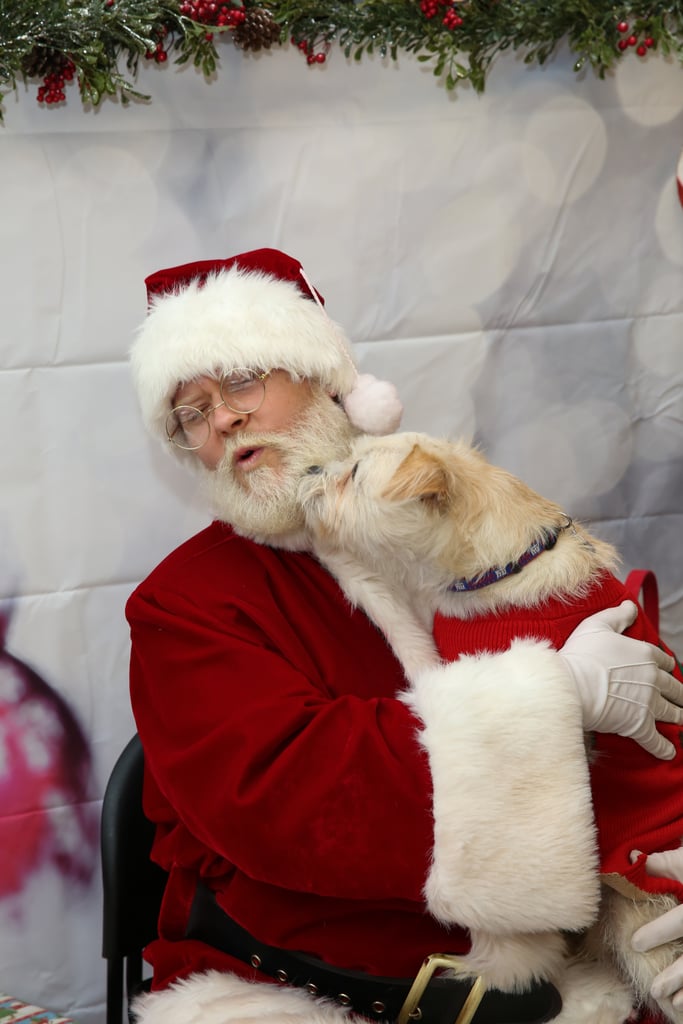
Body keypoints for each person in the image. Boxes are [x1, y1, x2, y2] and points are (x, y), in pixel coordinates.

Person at [126, 247, 683, 1024]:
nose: (222, 417)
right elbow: (291, 796)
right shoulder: (181, 605)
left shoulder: (444, 506)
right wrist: (555, 695)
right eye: (191, 413)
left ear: (321, 376)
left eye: (243, 380)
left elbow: (648, 732)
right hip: (294, 991)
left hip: (558, 976)